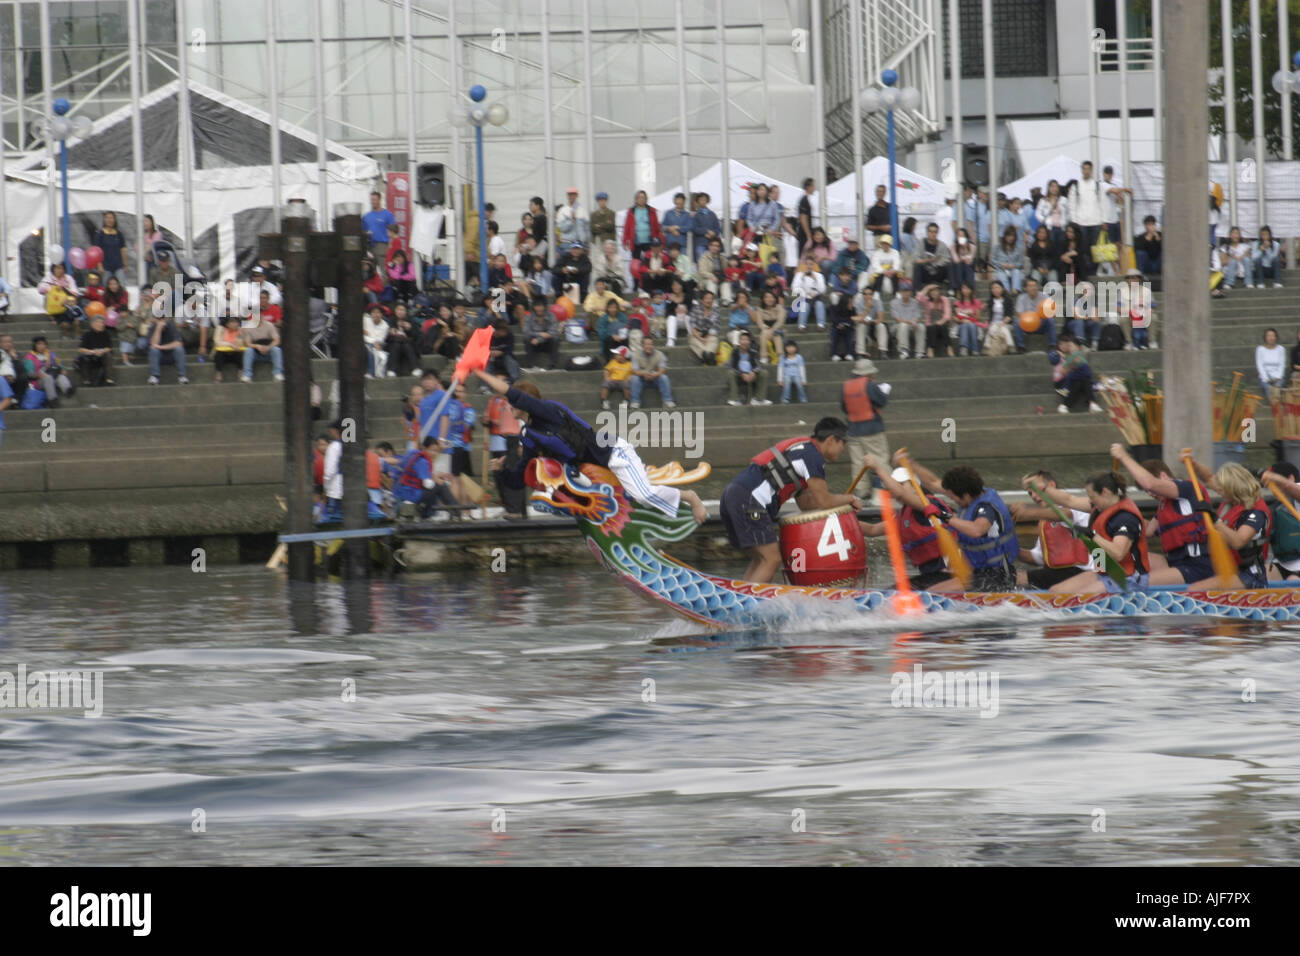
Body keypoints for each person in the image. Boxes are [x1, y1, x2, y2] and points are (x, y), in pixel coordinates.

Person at [474, 368, 707, 523]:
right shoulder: (529, 436)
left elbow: (514, 394)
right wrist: (501, 470)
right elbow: (520, 479)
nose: (509, 404)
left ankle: (691, 497)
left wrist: (479, 373)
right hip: (591, 469)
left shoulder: (549, 411)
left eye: (513, 402)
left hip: (612, 452)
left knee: (643, 496)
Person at [718, 417, 860, 583]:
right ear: (830, 440)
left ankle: (740, 595)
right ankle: (749, 603)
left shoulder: (803, 450)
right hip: (749, 501)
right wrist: (850, 499)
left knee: (760, 558)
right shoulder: (813, 456)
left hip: (733, 496)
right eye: (843, 443)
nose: (844, 449)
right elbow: (824, 501)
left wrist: (841, 502)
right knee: (772, 558)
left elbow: (806, 504)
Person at [905, 456, 1020, 592]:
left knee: (933, 593)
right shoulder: (971, 492)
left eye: (952, 497)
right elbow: (933, 482)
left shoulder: (987, 507)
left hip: (999, 576)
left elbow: (976, 530)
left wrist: (945, 516)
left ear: (965, 495)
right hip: (977, 573)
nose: (951, 500)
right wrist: (911, 465)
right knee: (931, 589)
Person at [1109, 444, 1216, 586]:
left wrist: (1123, 456)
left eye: (1149, 491)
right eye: (1146, 493)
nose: (1150, 493)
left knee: (1136, 583)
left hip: (1198, 566)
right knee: (1132, 559)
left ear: (1163, 475)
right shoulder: (1164, 505)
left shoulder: (1187, 489)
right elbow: (1148, 531)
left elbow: (1150, 484)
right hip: (1176, 562)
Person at [1026, 472, 1150, 593]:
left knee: (1070, 597)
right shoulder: (1100, 507)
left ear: (1105, 492)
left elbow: (1118, 553)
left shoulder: (1125, 518)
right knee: (1055, 591)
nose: (1090, 501)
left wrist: (1091, 535)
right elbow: (1069, 500)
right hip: (1105, 574)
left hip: (1129, 579)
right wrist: (1040, 488)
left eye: (1092, 497)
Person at [858, 457, 955, 590]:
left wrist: (878, 468)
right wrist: (843, 520)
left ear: (915, 486)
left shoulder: (928, 503)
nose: (894, 490)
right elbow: (872, 529)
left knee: (893, 593)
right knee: (893, 592)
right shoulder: (903, 515)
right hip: (932, 576)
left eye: (901, 484)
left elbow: (900, 494)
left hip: (951, 574)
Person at [1182, 459, 1271, 589]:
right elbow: (1208, 478)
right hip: (1228, 571)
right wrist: (1193, 463)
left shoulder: (1256, 513)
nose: (1218, 491)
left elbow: (1238, 541)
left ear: (1233, 489)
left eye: (1222, 490)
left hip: (1251, 576)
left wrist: (1215, 520)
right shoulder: (1230, 502)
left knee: (1194, 590)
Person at [1011, 469, 1095, 590]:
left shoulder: (1073, 506)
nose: (1034, 496)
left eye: (1035, 490)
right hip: (1059, 573)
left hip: (1085, 572)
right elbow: (1038, 557)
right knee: (1011, 576)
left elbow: (1064, 515)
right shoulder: (1044, 520)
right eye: (1030, 493)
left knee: (1018, 579)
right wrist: (1008, 548)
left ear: (1051, 486)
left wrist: (1028, 513)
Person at [841, 357, 890, 500]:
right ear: (868, 373)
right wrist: (885, 392)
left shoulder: (846, 386)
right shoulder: (870, 385)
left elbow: (844, 407)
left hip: (852, 429)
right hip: (872, 429)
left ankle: (861, 491)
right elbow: (881, 401)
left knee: (858, 463)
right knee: (880, 459)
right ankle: (881, 491)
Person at [484, 390, 526, 518]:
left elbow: (522, 423)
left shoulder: (515, 404)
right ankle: (521, 511)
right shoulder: (497, 402)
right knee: (514, 472)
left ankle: (515, 510)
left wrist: (521, 444)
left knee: (513, 472)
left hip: (516, 439)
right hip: (509, 440)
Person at [1260, 462, 1300, 579]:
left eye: (1276, 485)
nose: (1273, 489)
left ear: (1291, 478)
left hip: (1296, 572)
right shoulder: (1277, 507)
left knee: (1293, 581)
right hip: (1283, 564)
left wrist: (1279, 481)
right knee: (1262, 575)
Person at [1054, 334, 1102, 414]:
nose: (1068, 347)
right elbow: (1063, 372)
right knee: (1084, 380)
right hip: (1063, 382)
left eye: (1070, 345)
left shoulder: (1073, 355)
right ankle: (1092, 403)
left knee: (1081, 381)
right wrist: (1071, 365)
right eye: (1066, 345)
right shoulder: (1057, 356)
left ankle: (1064, 405)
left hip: (1075, 379)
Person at [25, 335, 75, 404]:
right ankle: (52, 399)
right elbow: (29, 373)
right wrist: (38, 374)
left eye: (44, 344)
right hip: (38, 380)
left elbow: (58, 364)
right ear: (35, 345)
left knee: (60, 376)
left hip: (52, 374)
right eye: (39, 344)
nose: (42, 346)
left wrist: (63, 369)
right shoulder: (30, 357)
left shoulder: (50, 354)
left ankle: (68, 389)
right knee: (48, 378)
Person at [1067, 160, 1105, 250]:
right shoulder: (1076, 186)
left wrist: (1103, 220)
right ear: (1081, 170)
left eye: (1088, 169)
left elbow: (1103, 204)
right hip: (1081, 222)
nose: (1086, 171)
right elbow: (1072, 205)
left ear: (1091, 170)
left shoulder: (1097, 185)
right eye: (1084, 169)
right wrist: (1074, 220)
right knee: (1083, 248)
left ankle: (1094, 265)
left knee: (1095, 249)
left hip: (1096, 222)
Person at [726, 330, 769, 406]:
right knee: (730, 373)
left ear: (749, 342)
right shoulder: (735, 352)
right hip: (739, 376)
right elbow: (732, 366)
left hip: (752, 375)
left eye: (746, 340)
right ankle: (734, 399)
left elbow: (758, 365)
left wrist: (754, 372)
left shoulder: (753, 352)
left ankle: (759, 399)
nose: (744, 342)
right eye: (742, 339)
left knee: (764, 373)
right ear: (739, 341)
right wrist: (742, 373)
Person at [1013, 277, 1056, 351]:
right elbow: (1019, 314)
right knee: (1016, 321)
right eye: (1030, 286)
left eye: (1034, 286)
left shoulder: (1044, 296)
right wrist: (1030, 318)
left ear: (1038, 287)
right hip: (1026, 325)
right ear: (1026, 288)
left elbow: (1052, 313)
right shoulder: (1021, 298)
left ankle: (1052, 345)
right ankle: (1021, 346)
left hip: (1040, 324)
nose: (1033, 288)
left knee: (1050, 319)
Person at [630, 335, 673, 409]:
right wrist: (644, 374)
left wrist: (655, 375)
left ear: (653, 345)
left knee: (664, 377)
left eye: (651, 344)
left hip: (655, 379)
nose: (648, 346)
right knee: (634, 378)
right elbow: (635, 371)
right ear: (642, 345)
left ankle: (667, 401)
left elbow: (662, 369)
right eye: (646, 344)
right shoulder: (635, 355)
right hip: (642, 380)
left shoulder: (660, 354)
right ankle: (635, 402)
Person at [241, 311, 283, 383]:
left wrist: (268, 347)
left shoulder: (269, 325)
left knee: (276, 349)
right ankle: (247, 375)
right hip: (255, 353)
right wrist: (257, 346)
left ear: (262, 315)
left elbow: (277, 340)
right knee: (248, 350)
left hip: (269, 352)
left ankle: (277, 373)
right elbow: (247, 343)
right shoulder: (248, 327)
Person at [888, 280, 925, 360]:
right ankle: (903, 350)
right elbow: (898, 319)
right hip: (898, 328)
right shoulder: (894, 303)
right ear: (900, 292)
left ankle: (920, 352)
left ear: (911, 292)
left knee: (921, 326)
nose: (906, 293)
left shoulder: (915, 302)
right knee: (903, 325)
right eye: (904, 291)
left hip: (911, 326)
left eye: (908, 290)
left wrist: (915, 322)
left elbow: (918, 317)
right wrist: (910, 322)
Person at [76, 312, 115, 386]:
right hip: (90, 356)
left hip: (102, 356)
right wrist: (92, 351)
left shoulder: (106, 334)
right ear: (92, 324)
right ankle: (86, 381)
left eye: (102, 323)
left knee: (108, 355)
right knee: (83, 358)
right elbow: (80, 349)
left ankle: (109, 380)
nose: (101, 324)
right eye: (99, 322)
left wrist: (101, 351)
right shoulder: (87, 334)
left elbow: (109, 347)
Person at [146, 316, 189, 385]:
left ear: (166, 319)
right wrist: (158, 329)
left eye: (163, 318)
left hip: (171, 355)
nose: (161, 321)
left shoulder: (171, 326)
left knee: (179, 349)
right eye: (159, 319)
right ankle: (154, 376)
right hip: (159, 357)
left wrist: (161, 347)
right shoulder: (153, 327)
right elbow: (153, 344)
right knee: (153, 350)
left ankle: (182, 376)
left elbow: (178, 343)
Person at [363, 192, 397, 277]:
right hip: (370, 247)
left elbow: (394, 230)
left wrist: (391, 244)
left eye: (375, 199)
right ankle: (374, 289)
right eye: (371, 200)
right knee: (370, 271)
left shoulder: (387, 214)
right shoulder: (366, 216)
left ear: (379, 200)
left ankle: (386, 289)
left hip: (382, 246)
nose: (373, 202)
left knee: (384, 270)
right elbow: (363, 232)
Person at [94, 211, 130, 286]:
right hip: (105, 267)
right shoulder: (100, 234)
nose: (109, 220)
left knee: (121, 287)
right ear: (104, 219)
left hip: (118, 266)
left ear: (115, 220)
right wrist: (99, 266)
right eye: (107, 218)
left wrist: (125, 265)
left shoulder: (119, 234)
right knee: (107, 288)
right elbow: (97, 251)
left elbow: (123, 250)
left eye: (111, 218)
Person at [911, 221, 950, 289]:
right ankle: (916, 291)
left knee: (950, 265)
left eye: (935, 232)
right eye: (931, 232)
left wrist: (938, 262)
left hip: (938, 271)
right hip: (925, 272)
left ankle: (951, 290)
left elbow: (946, 259)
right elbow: (916, 260)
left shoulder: (942, 245)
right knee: (917, 266)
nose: (933, 234)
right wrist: (929, 260)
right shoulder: (920, 243)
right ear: (927, 232)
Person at [601, 344, 634, 409]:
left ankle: (626, 401)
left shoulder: (629, 364)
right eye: (616, 355)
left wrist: (629, 378)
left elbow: (633, 373)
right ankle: (603, 401)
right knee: (605, 385)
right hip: (612, 380)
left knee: (626, 386)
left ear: (625, 356)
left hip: (623, 381)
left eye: (618, 355)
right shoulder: (613, 362)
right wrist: (607, 377)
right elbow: (606, 370)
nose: (616, 356)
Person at [1257, 327, 1287, 397]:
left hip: (1278, 376)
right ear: (1265, 338)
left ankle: (1275, 404)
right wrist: (1266, 378)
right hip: (1265, 377)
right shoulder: (1260, 349)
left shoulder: (1281, 349)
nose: (1271, 338)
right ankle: (1275, 405)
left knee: (1277, 387)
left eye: (1273, 336)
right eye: (1269, 336)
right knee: (1269, 388)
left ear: (1276, 337)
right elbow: (1260, 365)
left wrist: (1277, 377)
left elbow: (1282, 365)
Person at [777, 340, 807, 404]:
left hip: (797, 375)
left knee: (799, 383)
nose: (791, 349)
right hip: (786, 375)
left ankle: (803, 398)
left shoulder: (799, 357)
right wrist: (780, 380)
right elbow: (780, 369)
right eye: (788, 347)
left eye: (792, 347)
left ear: (796, 348)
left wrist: (803, 380)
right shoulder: (783, 357)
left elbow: (801, 368)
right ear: (785, 348)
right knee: (787, 382)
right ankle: (785, 398)